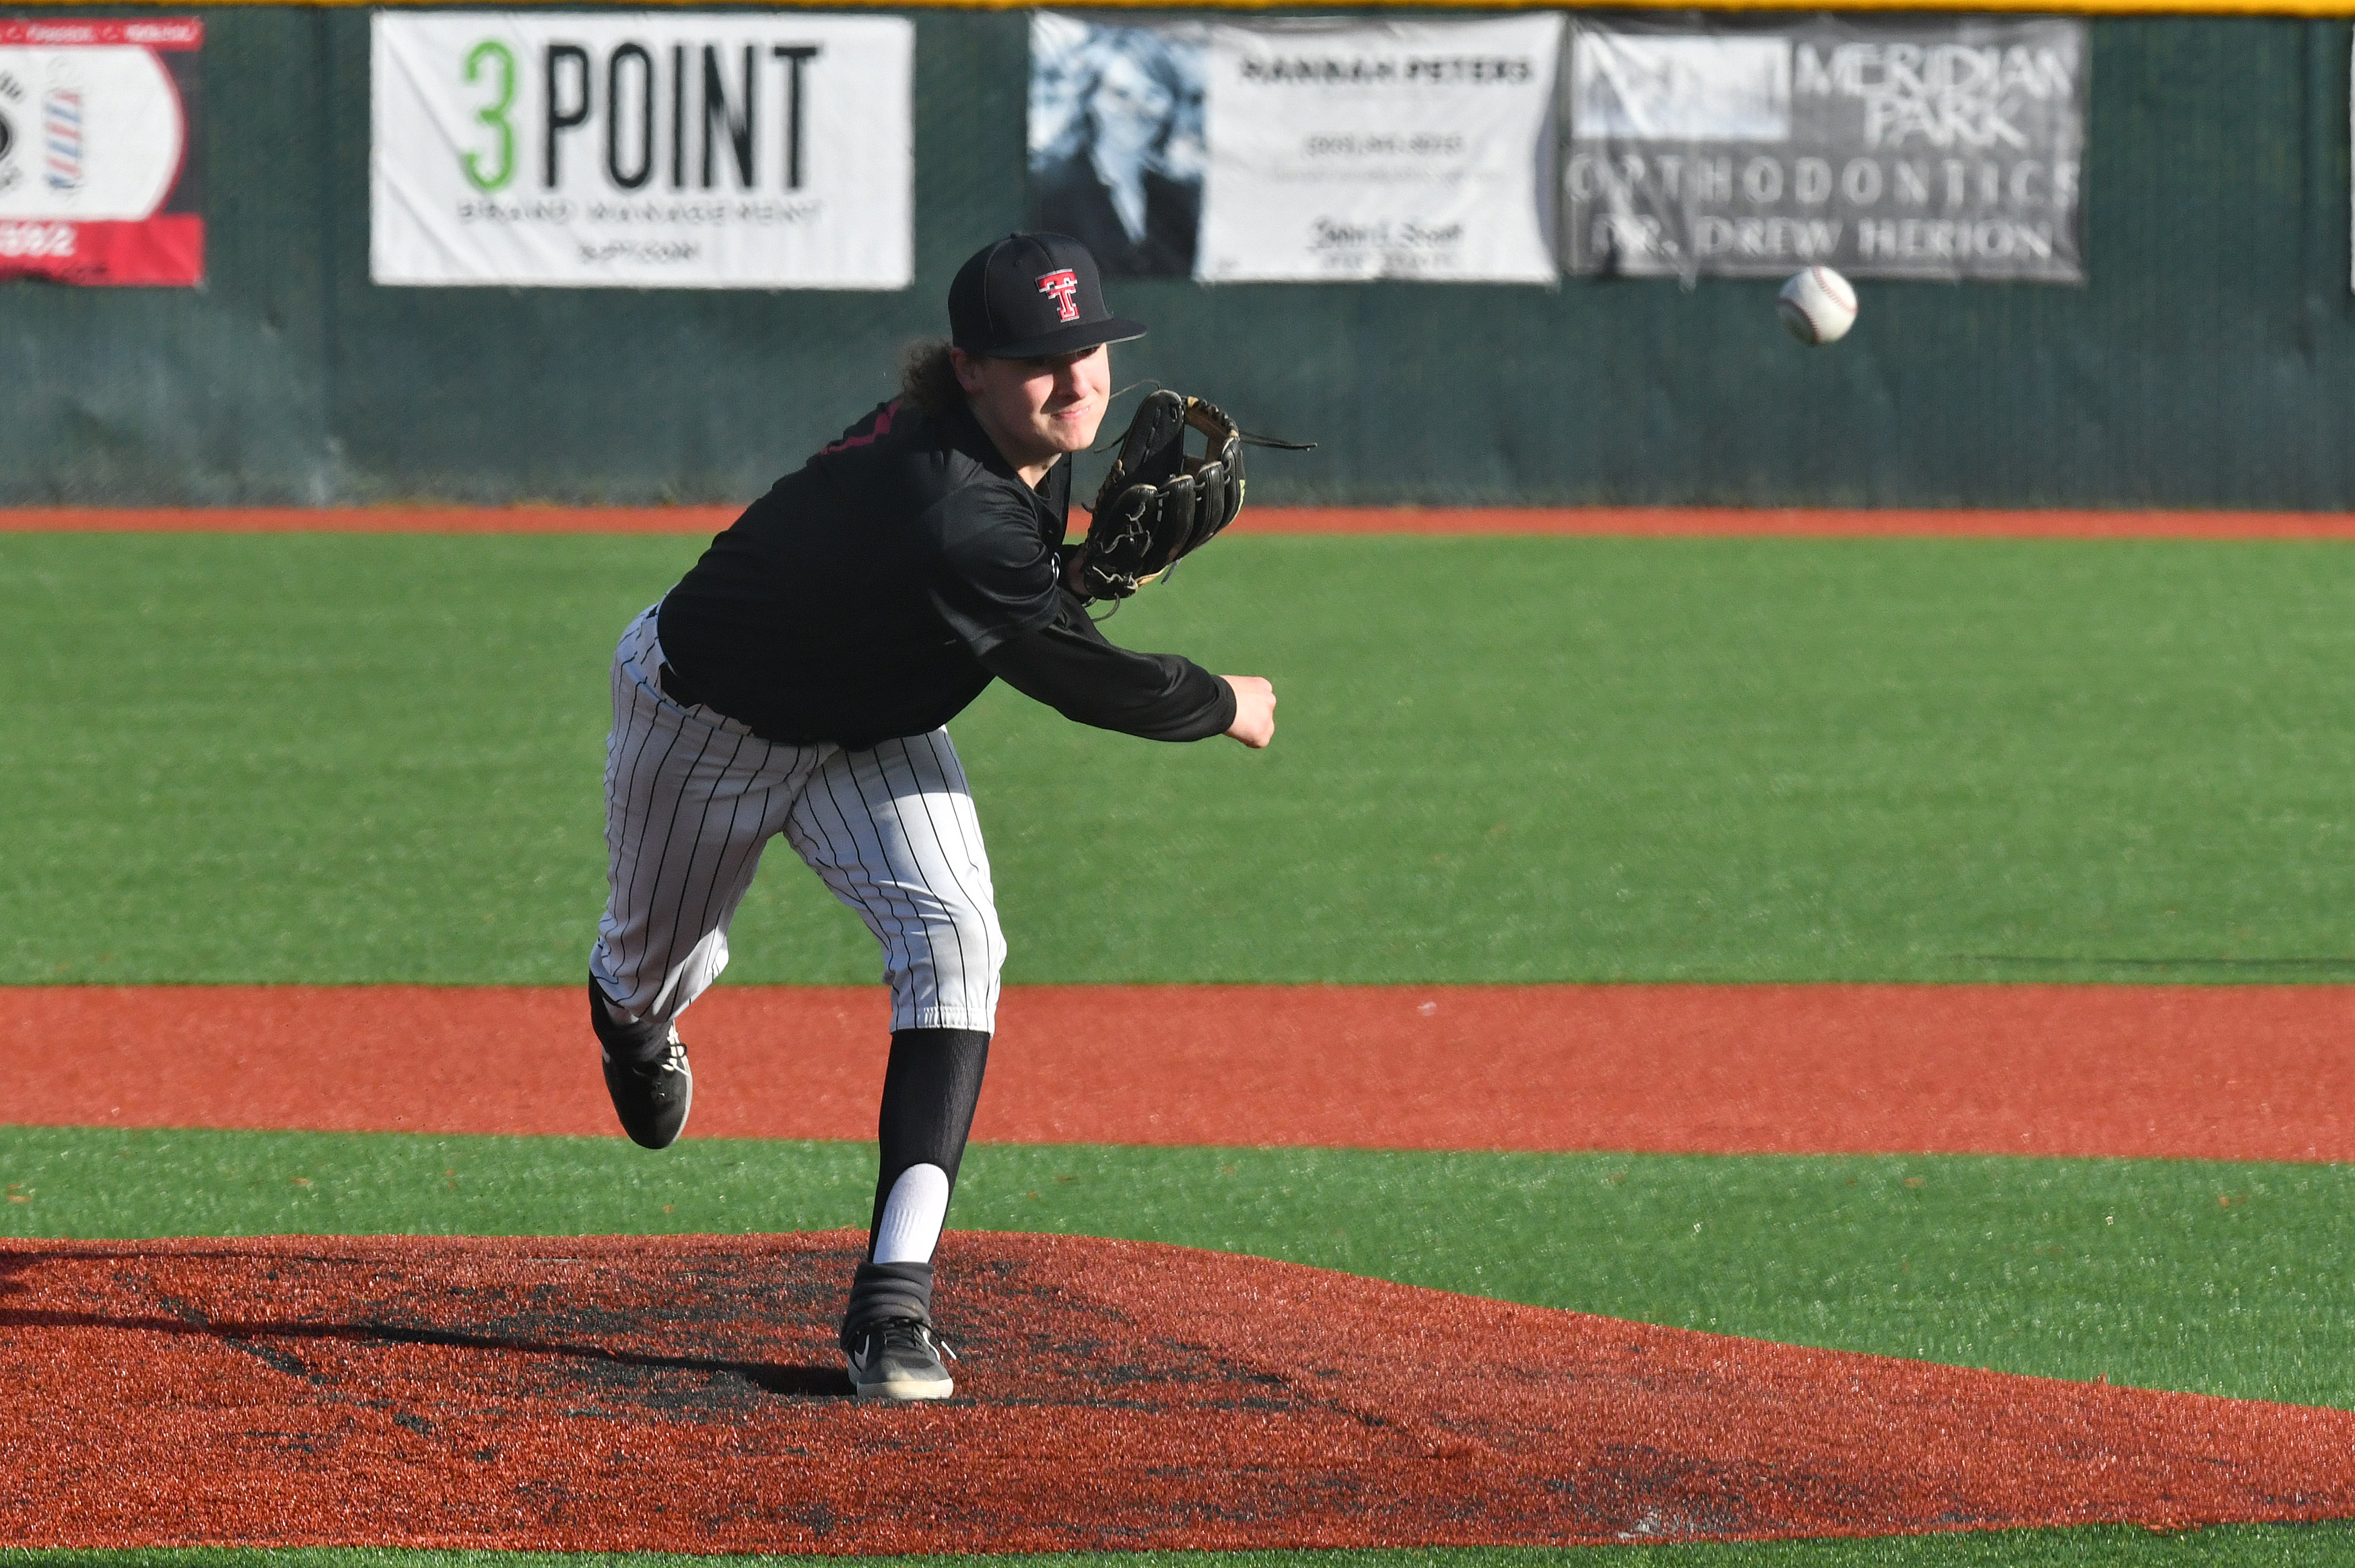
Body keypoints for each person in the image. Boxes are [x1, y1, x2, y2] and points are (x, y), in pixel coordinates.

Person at [585, 232, 1277, 1402]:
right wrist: (1222, 701)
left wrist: (1073, 576)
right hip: (706, 724)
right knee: (653, 964)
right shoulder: (951, 504)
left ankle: (890, 1300)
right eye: (1040, 361)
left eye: (1092, 350)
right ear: (966, 366)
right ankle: (628, 1020)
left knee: (957, 946)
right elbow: (1071, 674)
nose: (1078, 382)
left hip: (874, 723)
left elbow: (1018, 601)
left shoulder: (1017, 450)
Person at [1029, 35, 1202, 279]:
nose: (1136, 108)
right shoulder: (1052, 191)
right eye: (1120, 94)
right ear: (1091, 100)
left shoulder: (1179, 199)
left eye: (1151, 94)